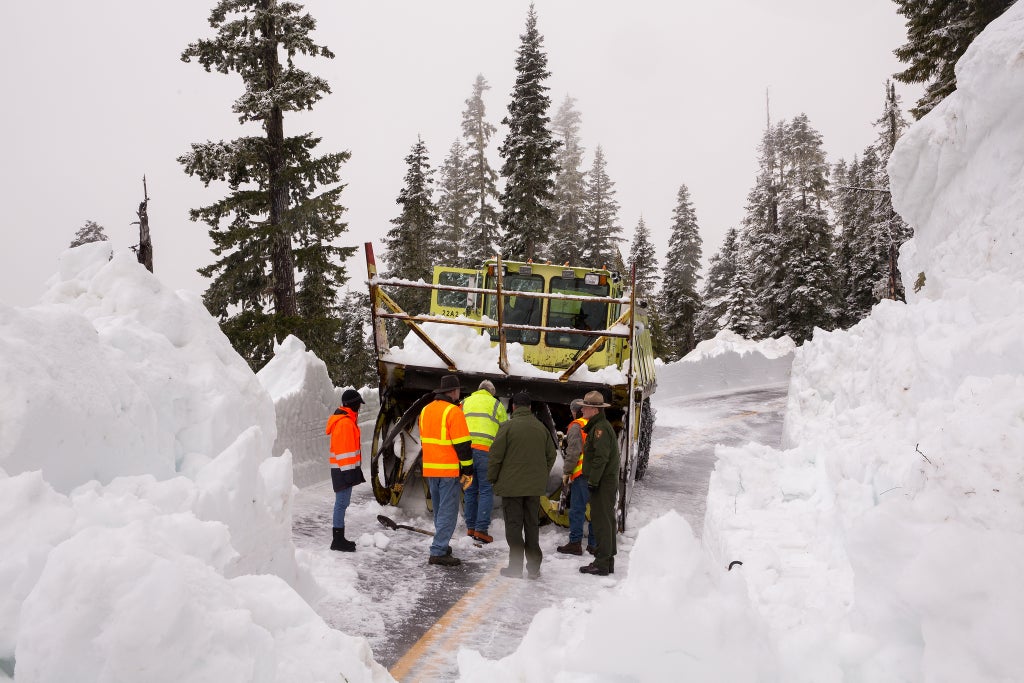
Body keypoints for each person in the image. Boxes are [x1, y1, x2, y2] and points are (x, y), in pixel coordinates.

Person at [488, 391, 557, 579]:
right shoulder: (541, 429)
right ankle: (534, 568)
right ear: (530, 408)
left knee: (514, 526)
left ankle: (515, 568)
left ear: (513, 407)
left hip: (511, 488)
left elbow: (495, 457)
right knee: (532, 526)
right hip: (533, 489)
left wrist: (492, 477)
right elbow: (552, 455)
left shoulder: (507, 427)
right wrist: (541, 474)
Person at [418, 374, 474, 567]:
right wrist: (468, 467)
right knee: (448, 513)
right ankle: (438, 550)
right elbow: (463, 445)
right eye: (459, 390)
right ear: (454, 391)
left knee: (439, 510)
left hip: (430, 468)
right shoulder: (453, 412)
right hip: (448, 469)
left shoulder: (425, 410)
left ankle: (441, 544)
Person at [460, 379, 508, 544]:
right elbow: (504, 430)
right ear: (491, 392)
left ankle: (470, 527)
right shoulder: (496, 405)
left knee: (469, 489)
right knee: (486, 490)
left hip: (465, 453)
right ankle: (481, 530)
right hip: (486, 453)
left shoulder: (465, 402)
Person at [578, 390, 620, 576]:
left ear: (594, 410)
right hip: (605, 481)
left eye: (585, 407)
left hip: (603, 482)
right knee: (606, 520)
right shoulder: (599, 426)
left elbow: (600, 458)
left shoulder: (600, 430)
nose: (582, 410)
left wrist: (593, 481)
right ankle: (607, 559)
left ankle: (602, 562)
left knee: (601, 522)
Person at [325, 388, 367, 552]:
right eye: (359, 404)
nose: (360, 407)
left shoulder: (348, 421)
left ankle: (339, 538)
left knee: (343, 503)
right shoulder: (345, 423)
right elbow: (344, 451)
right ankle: (337, 540)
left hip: (344, 470)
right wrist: (349, 472)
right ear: (353, 404)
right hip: (343, 470)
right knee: (341, 504)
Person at [556, 399, 597, 556]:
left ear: (575, 411)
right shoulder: (596, 425)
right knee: (595, 510)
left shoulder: (576, 426)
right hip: (596, 473)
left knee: (577, 510)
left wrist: (566, 471)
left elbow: (573, 452)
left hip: (581, 475)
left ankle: (575, 543)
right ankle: (593, 544)